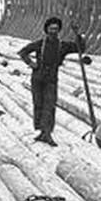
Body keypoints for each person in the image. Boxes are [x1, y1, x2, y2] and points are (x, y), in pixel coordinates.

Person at [18, 17, 87, 145]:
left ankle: (47, 132)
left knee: (49, 105)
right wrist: (31, 63)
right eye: (51, 29)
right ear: (46, 30)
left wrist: (78, 34)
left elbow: (80, 48)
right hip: (38, 77)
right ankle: (41, 131)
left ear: (59, 30)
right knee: (38, 104)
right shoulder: (39, 44)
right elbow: (22, 52)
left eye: (56, 29)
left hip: (51, 79)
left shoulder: (63, 46)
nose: (53, 31)